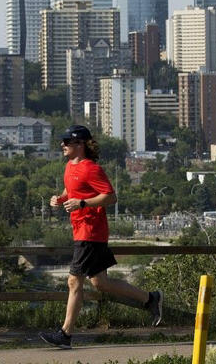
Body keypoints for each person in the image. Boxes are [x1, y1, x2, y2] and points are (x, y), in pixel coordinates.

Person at [39, 125, 163, 349]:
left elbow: (111, 196)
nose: (62, 145)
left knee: (73, 281)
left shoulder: (91, 168)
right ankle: (151, 299)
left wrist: (83, 203)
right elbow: (72, 192)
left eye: (67, 141)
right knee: (100, 283)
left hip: (91, 232)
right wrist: (59, 198)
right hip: (81, 230)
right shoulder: (69, 167)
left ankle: (65, 334)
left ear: (80, 145)